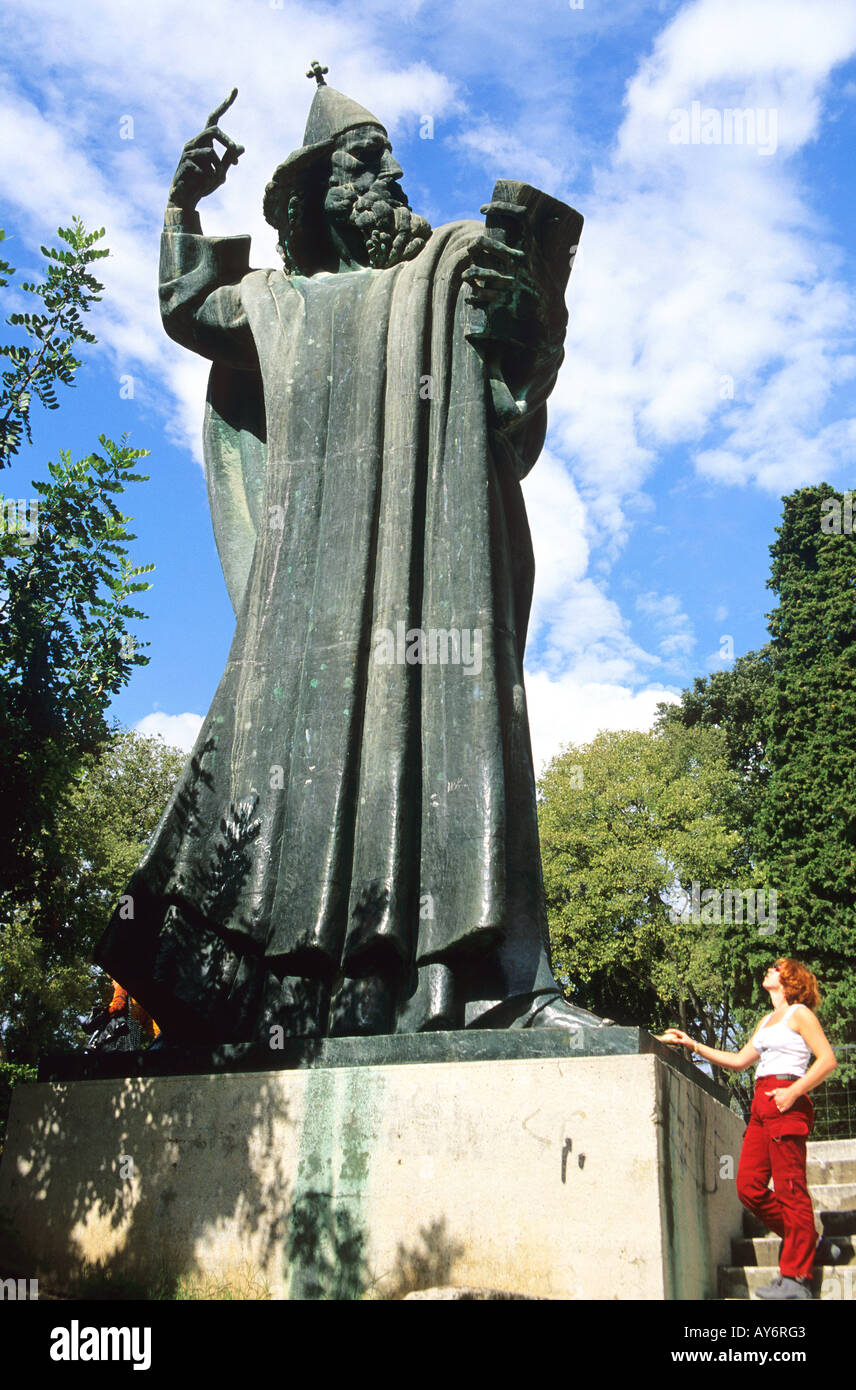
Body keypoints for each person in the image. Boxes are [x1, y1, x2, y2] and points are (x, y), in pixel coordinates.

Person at [95, 69, 608, 1043]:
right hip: (307, 612)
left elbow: (510, 387)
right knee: (280, 796)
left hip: (428, 589)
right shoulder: (280, 307)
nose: (393, 175)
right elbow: (187, 304)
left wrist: (534, 311)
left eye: (390, 160)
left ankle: (479, 978)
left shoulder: (446, 271)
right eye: (366, 162)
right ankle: (274, 1000)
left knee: (453, 742)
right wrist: (179, 201)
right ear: (316, 193)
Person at [658, 958, 837, 1300]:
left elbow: (827, 1059)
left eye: (777, 967)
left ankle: (796, 1280)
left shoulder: (799, 1014)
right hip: (760, 1107)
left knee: (790, 1191)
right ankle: (808, 1242)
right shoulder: (766, 1021)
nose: (770, 969)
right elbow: (740, 1061)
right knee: (748, 1188)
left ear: (790, 979)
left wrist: (794, 1091)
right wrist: (692, 1045)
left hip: (786, 1100)